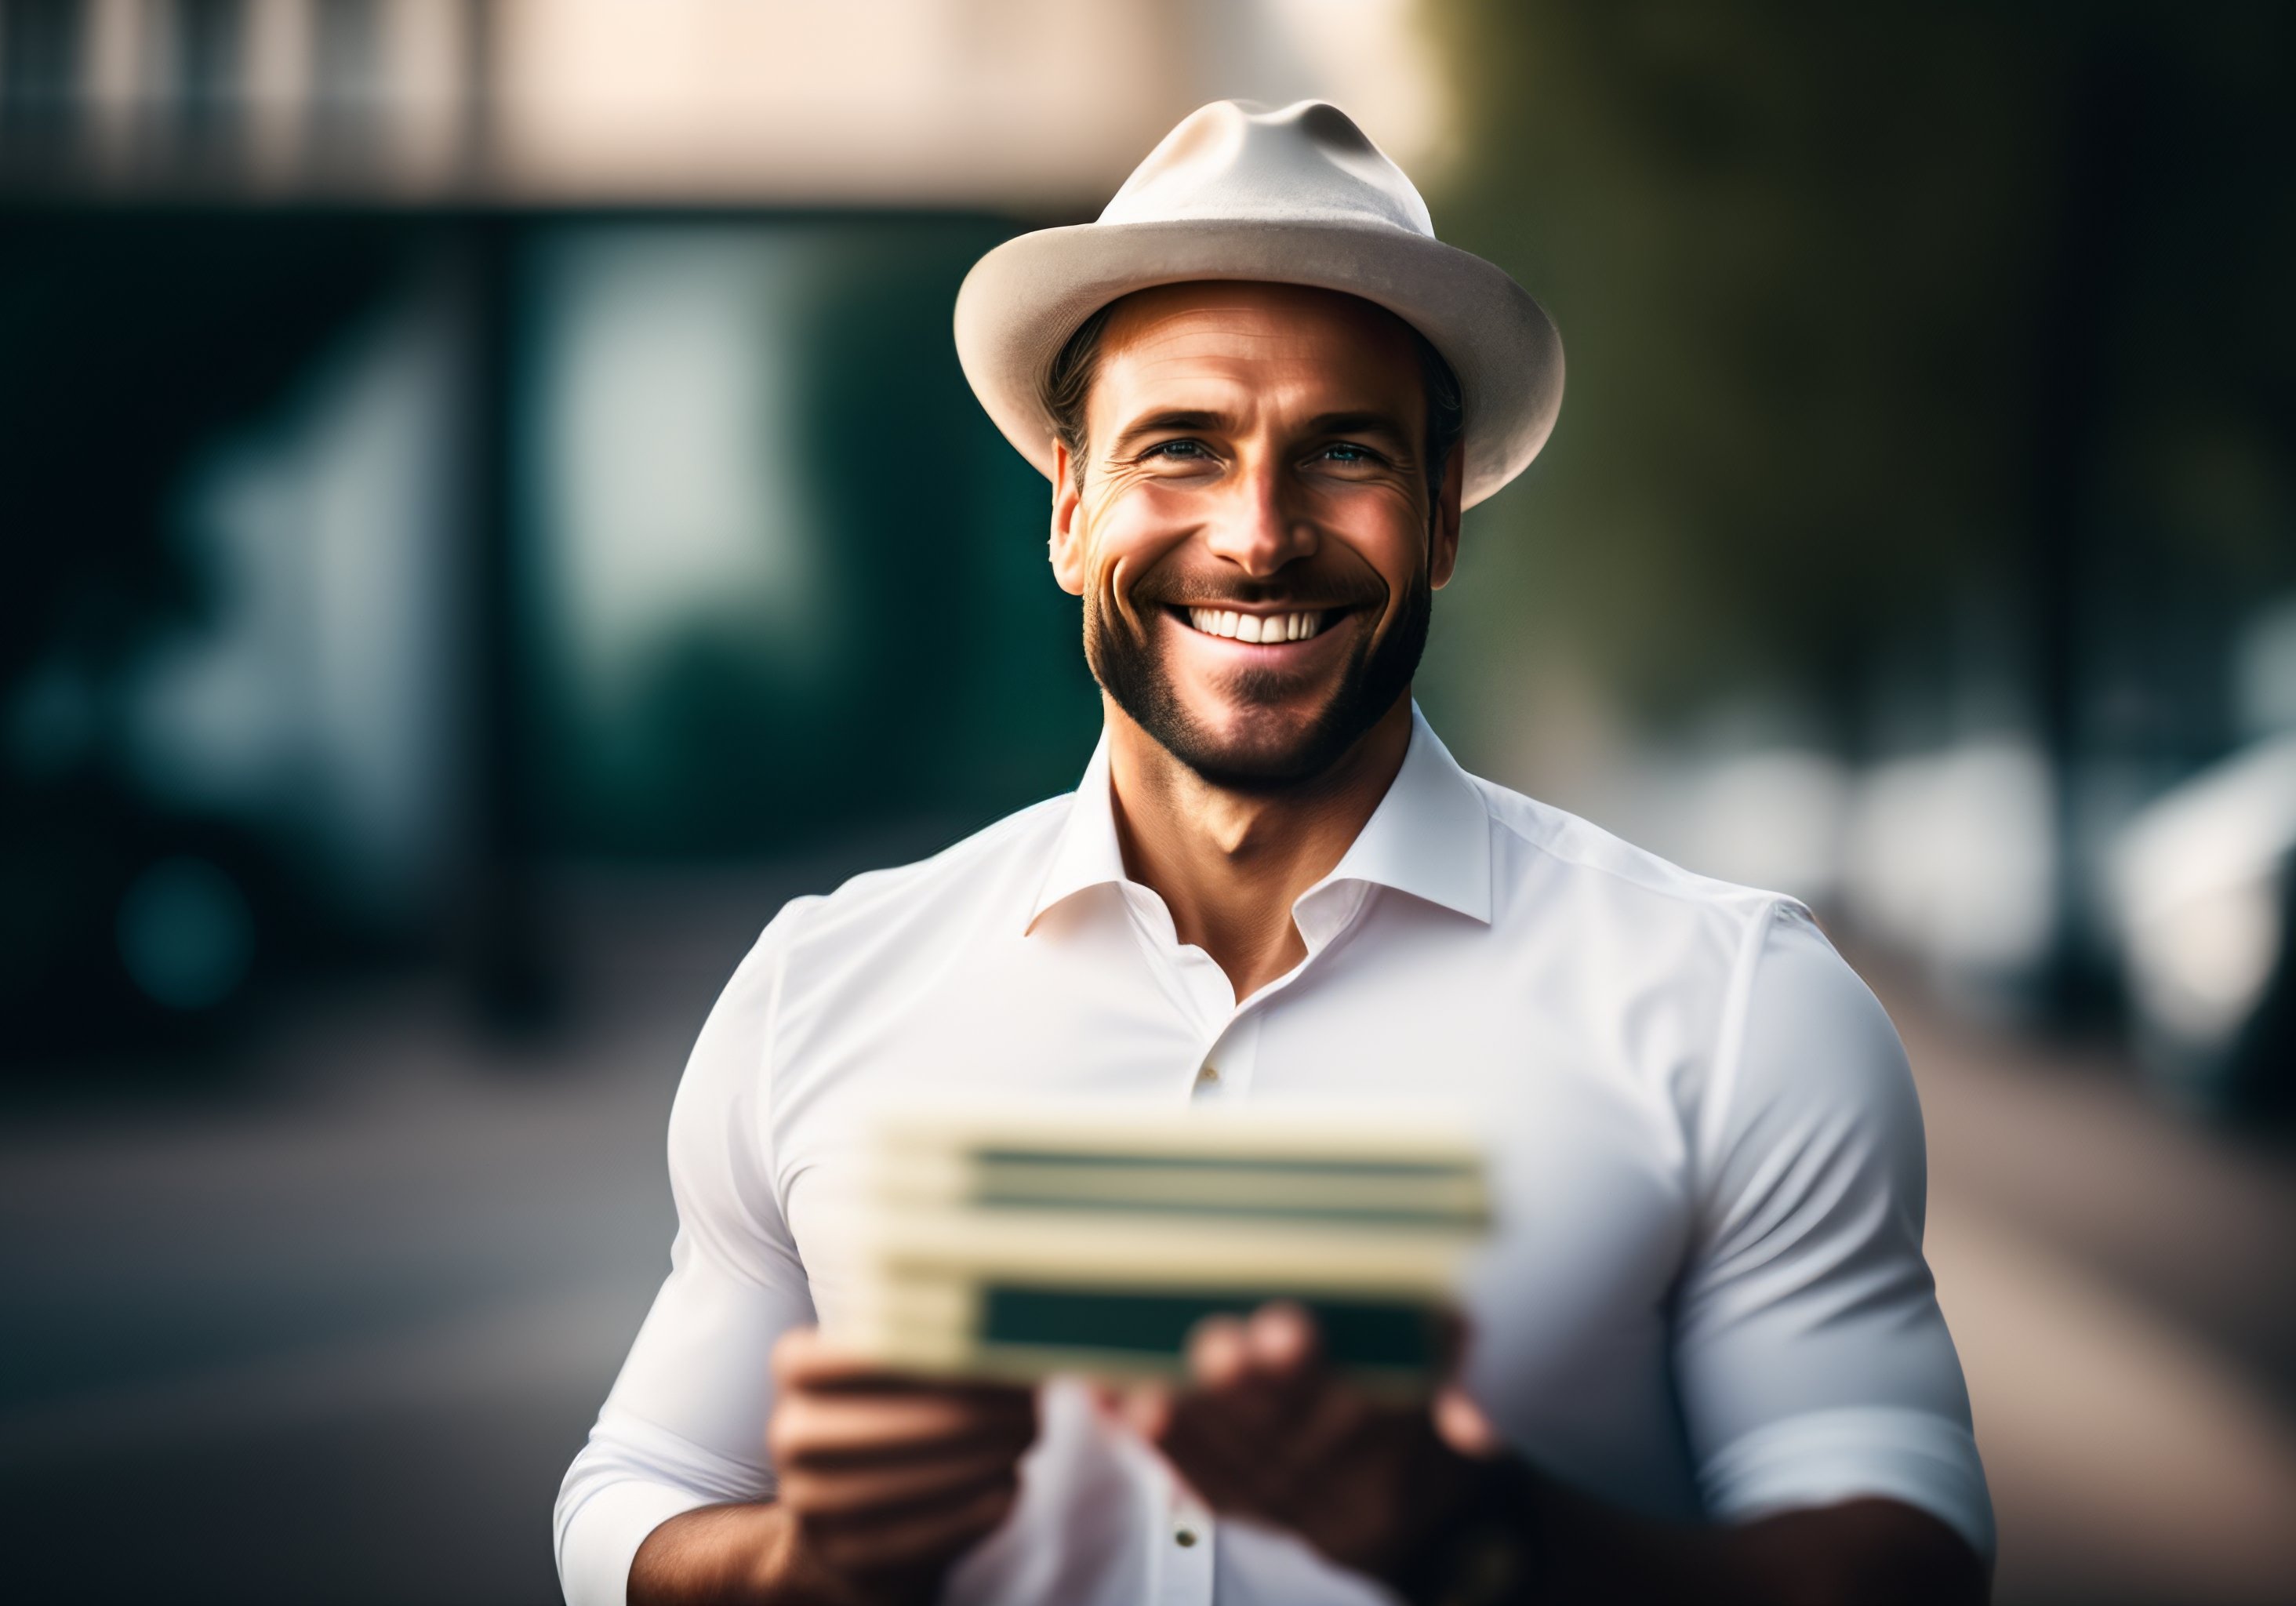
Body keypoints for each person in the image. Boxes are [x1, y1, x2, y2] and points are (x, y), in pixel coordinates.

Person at [554, 100, 1994, 1606]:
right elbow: (632, 1495)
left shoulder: (1740, 1007)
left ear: (1442, 515)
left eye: (1343, 452)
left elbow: (1904, 1560)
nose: (1257, 534)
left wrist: (1490, 1539)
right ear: (1067, 509)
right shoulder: (819, 986)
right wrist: (795, 1567)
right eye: (1179, 445)